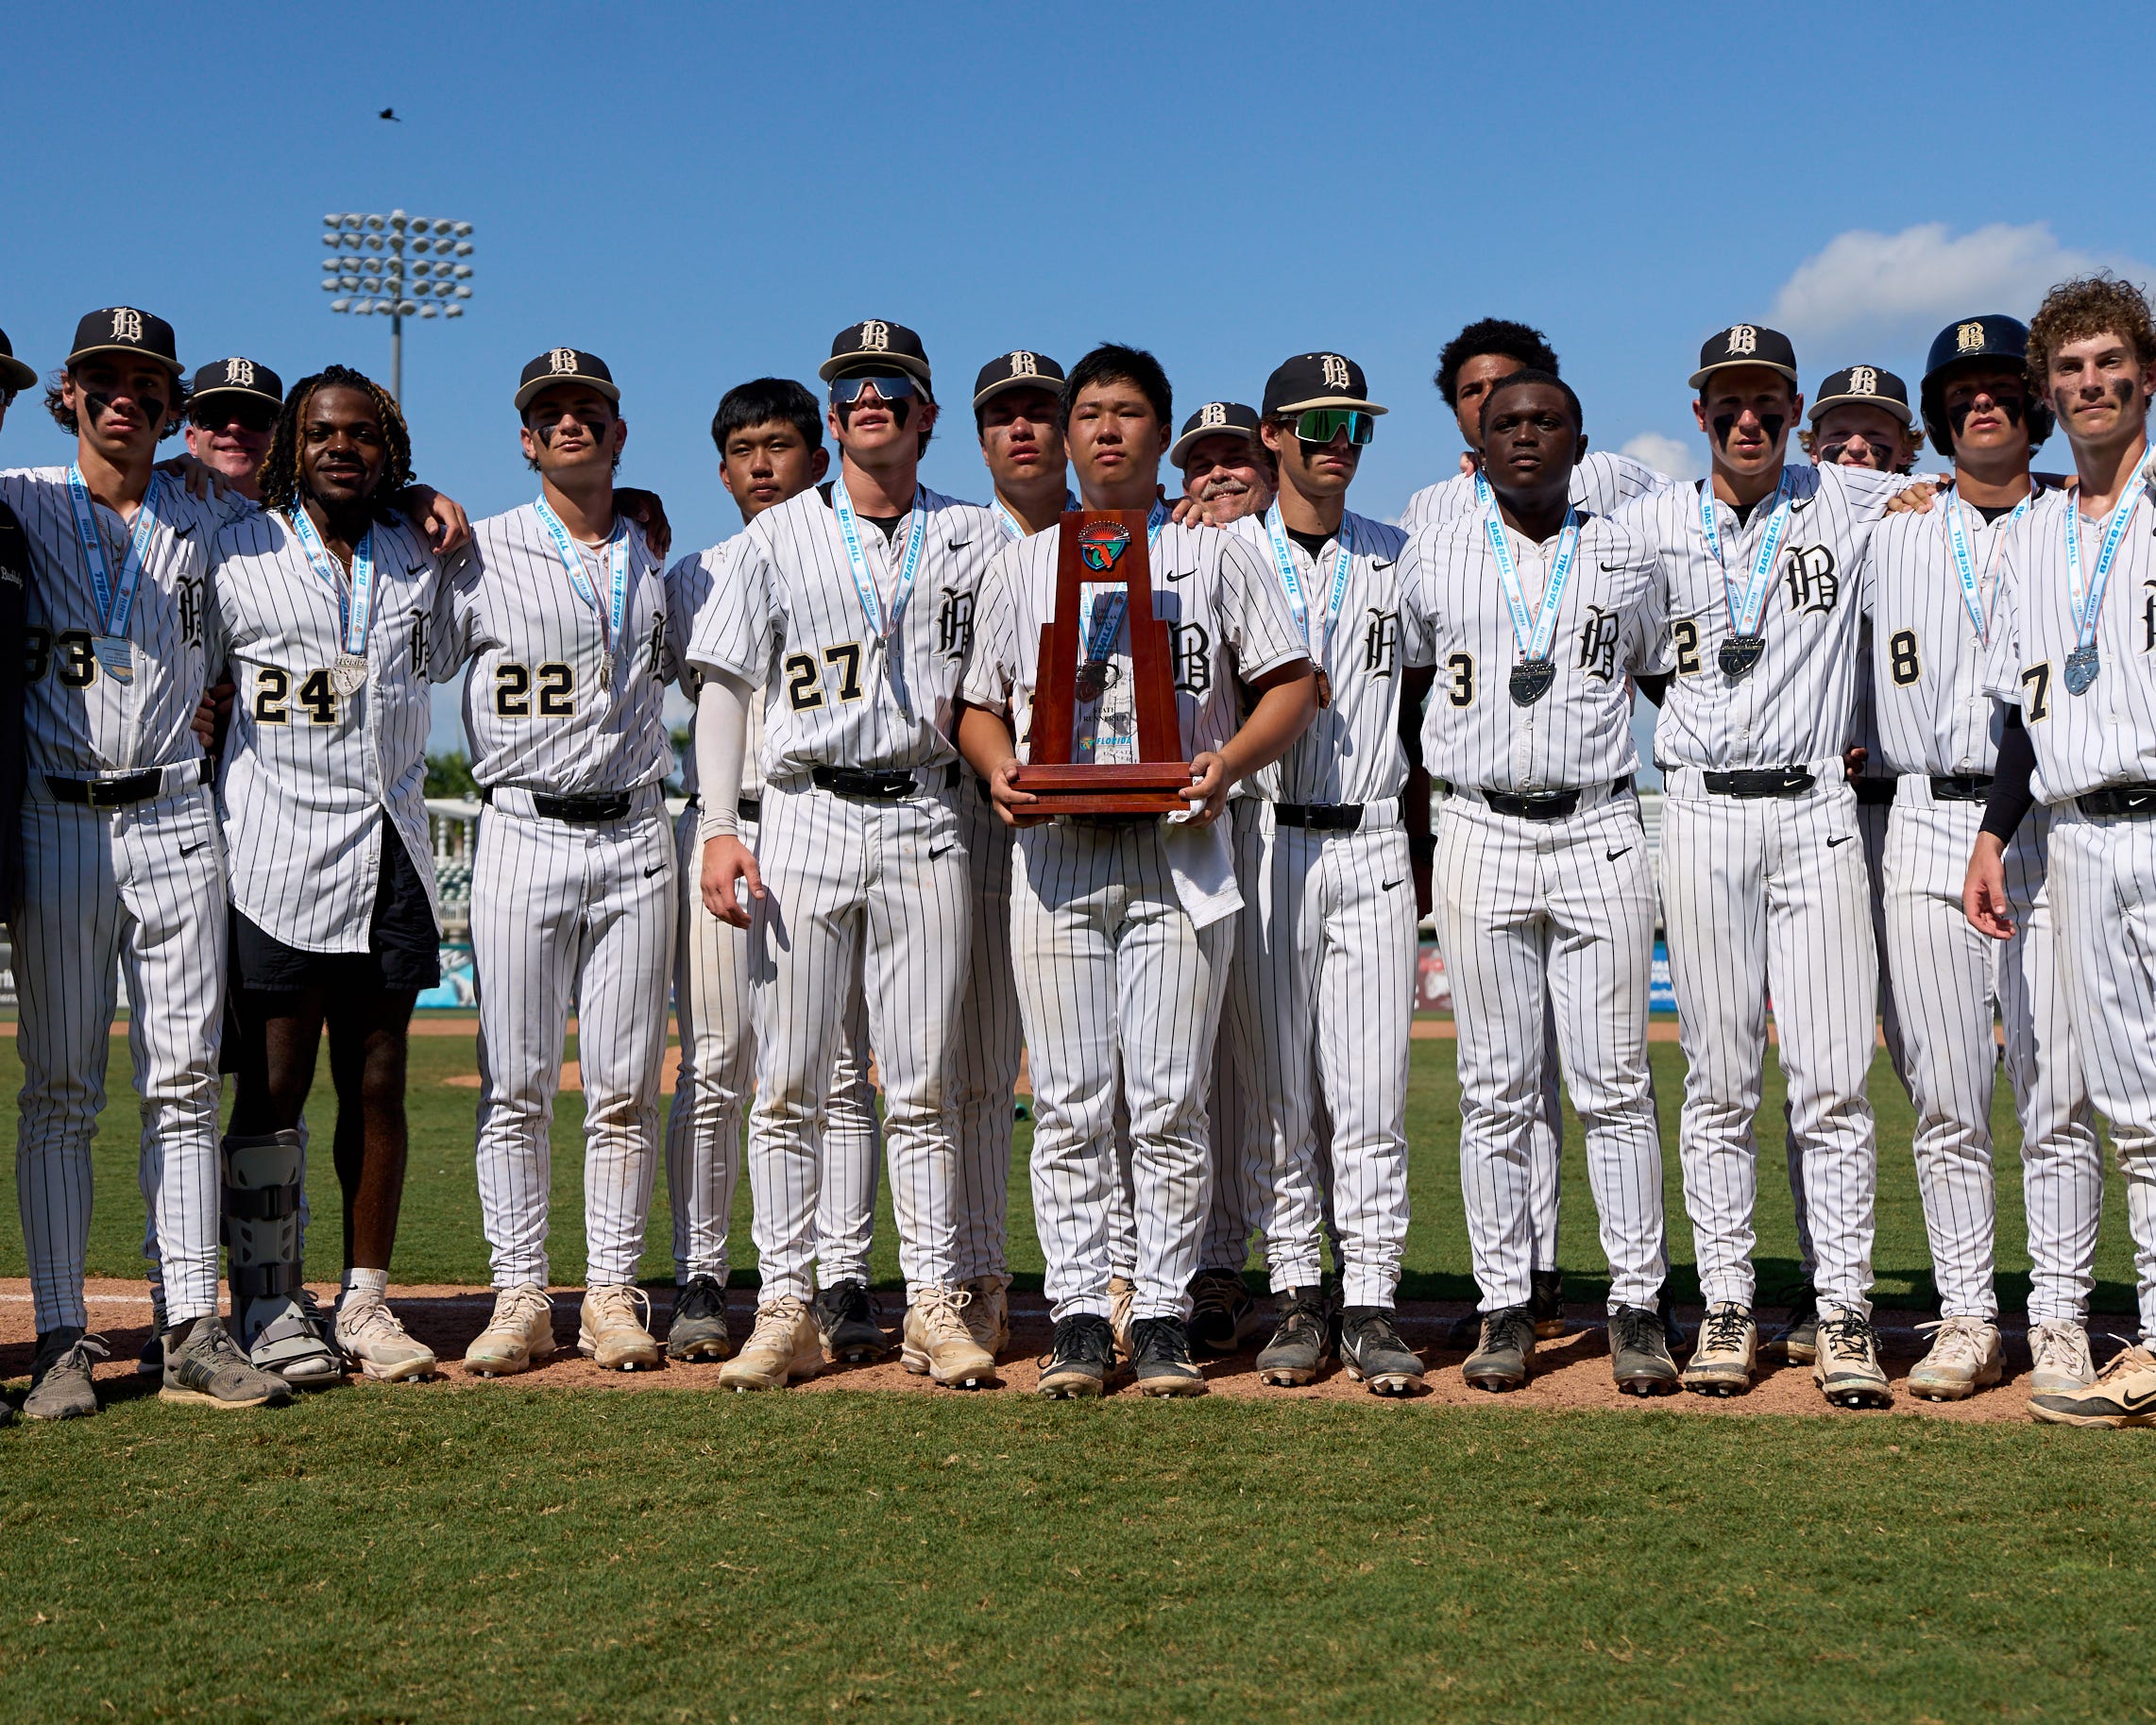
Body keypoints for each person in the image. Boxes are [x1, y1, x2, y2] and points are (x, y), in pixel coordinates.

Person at [956, 342, 1317, 1397]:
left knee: (1166, 1099)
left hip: (1179, 850)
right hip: (1057, 853)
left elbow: (1293, 684)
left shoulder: (1220, 549)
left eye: (1127, 413)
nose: (1107, 430)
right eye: (1090, 414)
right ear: (1067, 439)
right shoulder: (1021, 562)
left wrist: (1229, 762)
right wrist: (996, 770)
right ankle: (1077, 1312)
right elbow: (978, 705)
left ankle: (1158, 1312)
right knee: (1069, 1101)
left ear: (1160, 435)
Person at [1620, 323, 1925, 1410]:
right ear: (1698, 409)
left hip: (1816, 809)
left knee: (1833, 1080)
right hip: (1699, 812)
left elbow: (1990, 498)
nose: (1747, 418)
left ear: (1793, 411)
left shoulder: (1853, 497)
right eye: (1727, 400)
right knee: (1719, 1079)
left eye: (1767, 401)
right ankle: (1731, 1306)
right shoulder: (1647, 519)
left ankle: (1843, 1310)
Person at [693, 320, 1000, 1393]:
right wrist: (718, 825)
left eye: (892, 386)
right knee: (788, 1081)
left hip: (925, 810)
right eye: (852, 388)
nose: (870, 398)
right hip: (805, 813)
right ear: (834, 419)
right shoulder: (776, 535)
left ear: (924, 415)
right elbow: (727, 683)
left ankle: (931, 1302)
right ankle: (786, 1304)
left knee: (920, 1083)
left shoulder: (978, 534)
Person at [2, 307, 291, 1416]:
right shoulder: (20, 497)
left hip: (175, 817)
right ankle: (62, 1338)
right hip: (56, 815)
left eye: (145, 383)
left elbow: (331, 506)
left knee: (178, 1085)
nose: (125, 397)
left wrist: (421, 500)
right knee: (59, 1091)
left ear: (170, 407)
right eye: (103, 380)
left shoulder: (212, 509)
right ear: (67, 392)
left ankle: (193, 1330)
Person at [1400, 369, 1676, 1395]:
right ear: (1480, 431)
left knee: (1615, 1088)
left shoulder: (1629, 550)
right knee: (1495, 1090)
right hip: (1477, 821)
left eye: (1545, 422)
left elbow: (1667, 679)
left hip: (1600, 819)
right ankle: (1504, 1306)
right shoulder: (1433, 553)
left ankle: (1638, 1306)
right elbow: (1407, 696)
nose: (1525, 437)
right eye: (1507, 422)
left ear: (1578, 437)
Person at [1861, 316, 2098, 1402]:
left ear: (2036, 406)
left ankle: (2058, 1318)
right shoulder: (1890, 522)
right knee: (1947, 1092)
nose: (1983, 404)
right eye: (1961, 393)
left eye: (2003, 387)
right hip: (1919, 815)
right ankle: (1966, 1315)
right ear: (1939, 415)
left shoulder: (2075, 520)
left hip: (2045, 825)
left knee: (2055, 1092)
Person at [434, 347, 682, 1377]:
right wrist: (415, 501)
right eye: (551, 414)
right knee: (518, 1082)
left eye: (590, 411)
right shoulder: (474, 553)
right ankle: (522, 1293)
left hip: (635, 830)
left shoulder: (660, 558)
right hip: (522, 826)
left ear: (619, 435)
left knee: (624, 1083)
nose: (571, 425)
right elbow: (401, 662)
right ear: (528, 441)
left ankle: (614, 1295)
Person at [208, 364, 450, 1383]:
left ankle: (366, 1302)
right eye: (319, 433)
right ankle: (269, 1301)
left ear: (386, 446)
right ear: (289, 449)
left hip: (390, 846)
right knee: (271, 1088)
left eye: (358, 433)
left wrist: (434, 507)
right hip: (273, 848)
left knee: (380, 1081)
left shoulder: (420, 551)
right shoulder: (235, 550)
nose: (339, 447)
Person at [660, 378, 888, 1366]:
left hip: (824, 823)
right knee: (717, 1064)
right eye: (743, 448)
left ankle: (842, 1276)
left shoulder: (858, 556)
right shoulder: (692, 576)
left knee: (840, 1070)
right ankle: (702, 1275)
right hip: (731, 826)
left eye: (781, 445)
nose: (761, 463)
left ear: (819, 456)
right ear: (720, 469)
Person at [1217, 351, 1428, 1394]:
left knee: (1372, 1093)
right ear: (1272, 437)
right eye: (1316, 425)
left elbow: (1441, 702)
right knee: (1280, 1091)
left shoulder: (1400, 554)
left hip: (1374, 834)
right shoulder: (1220, 555)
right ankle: (1298, 1292)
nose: (1336, 443)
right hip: (1265, 833)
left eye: (1354, 426)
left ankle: (1374, 1297)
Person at [1967, 276, 2156, 1428]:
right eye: (2071, 369)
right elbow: (2019, 719)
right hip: (2079, 837)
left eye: (2110, 363)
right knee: (2130, 1099)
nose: (2091, 384)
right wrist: (1993, 833)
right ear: (2047, 393)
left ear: (2147, 375)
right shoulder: (2028, 536)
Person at [1767, 365, 1924, 1367]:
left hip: (1913, 811)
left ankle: (1993, 1292)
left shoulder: (1931, 524)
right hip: (1816, 811)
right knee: (1818, 1073)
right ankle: (1832, 1289)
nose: (1859, 454)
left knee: (1942, 1065)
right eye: (1841, 438)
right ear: (1811, 444)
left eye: (1878, 439)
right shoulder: (1785, 534)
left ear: (1908, 449)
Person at [184, 357, 283, 502]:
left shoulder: (308, 518)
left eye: (254, 415)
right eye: (215, 415)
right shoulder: (160, 508)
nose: (234, 427)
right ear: (192, 440)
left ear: (279, 439)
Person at [1170, 401, 1274, 526]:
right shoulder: (1171, 541)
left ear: (1274, 475)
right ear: (1186, 489)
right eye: (1202, 466)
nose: (1218, 474)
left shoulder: (1301, 535)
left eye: (1235, 460)